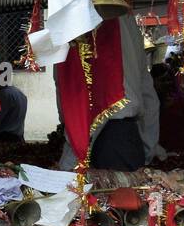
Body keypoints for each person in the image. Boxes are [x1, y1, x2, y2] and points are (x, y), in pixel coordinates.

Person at [59, 15, 161, 171]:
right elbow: (148, 95)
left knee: (106, 194)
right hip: (124, 139)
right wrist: (147, 146)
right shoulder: (125, 18)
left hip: (100, 137)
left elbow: (69, 94)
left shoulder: (74, 20)